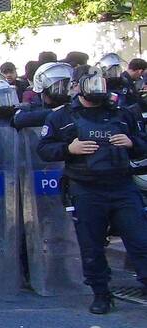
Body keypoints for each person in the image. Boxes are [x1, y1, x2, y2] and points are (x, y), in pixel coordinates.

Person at [38, 66, 147, 314]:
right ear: (77, 86)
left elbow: (143, 145)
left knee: (140, 241)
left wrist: (132, 143)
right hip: (86, 188)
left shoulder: (122, 113)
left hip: (121, 185)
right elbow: (44, 149)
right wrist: (68, 149)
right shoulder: (61, 117)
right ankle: (101, 293)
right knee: (91, 245)